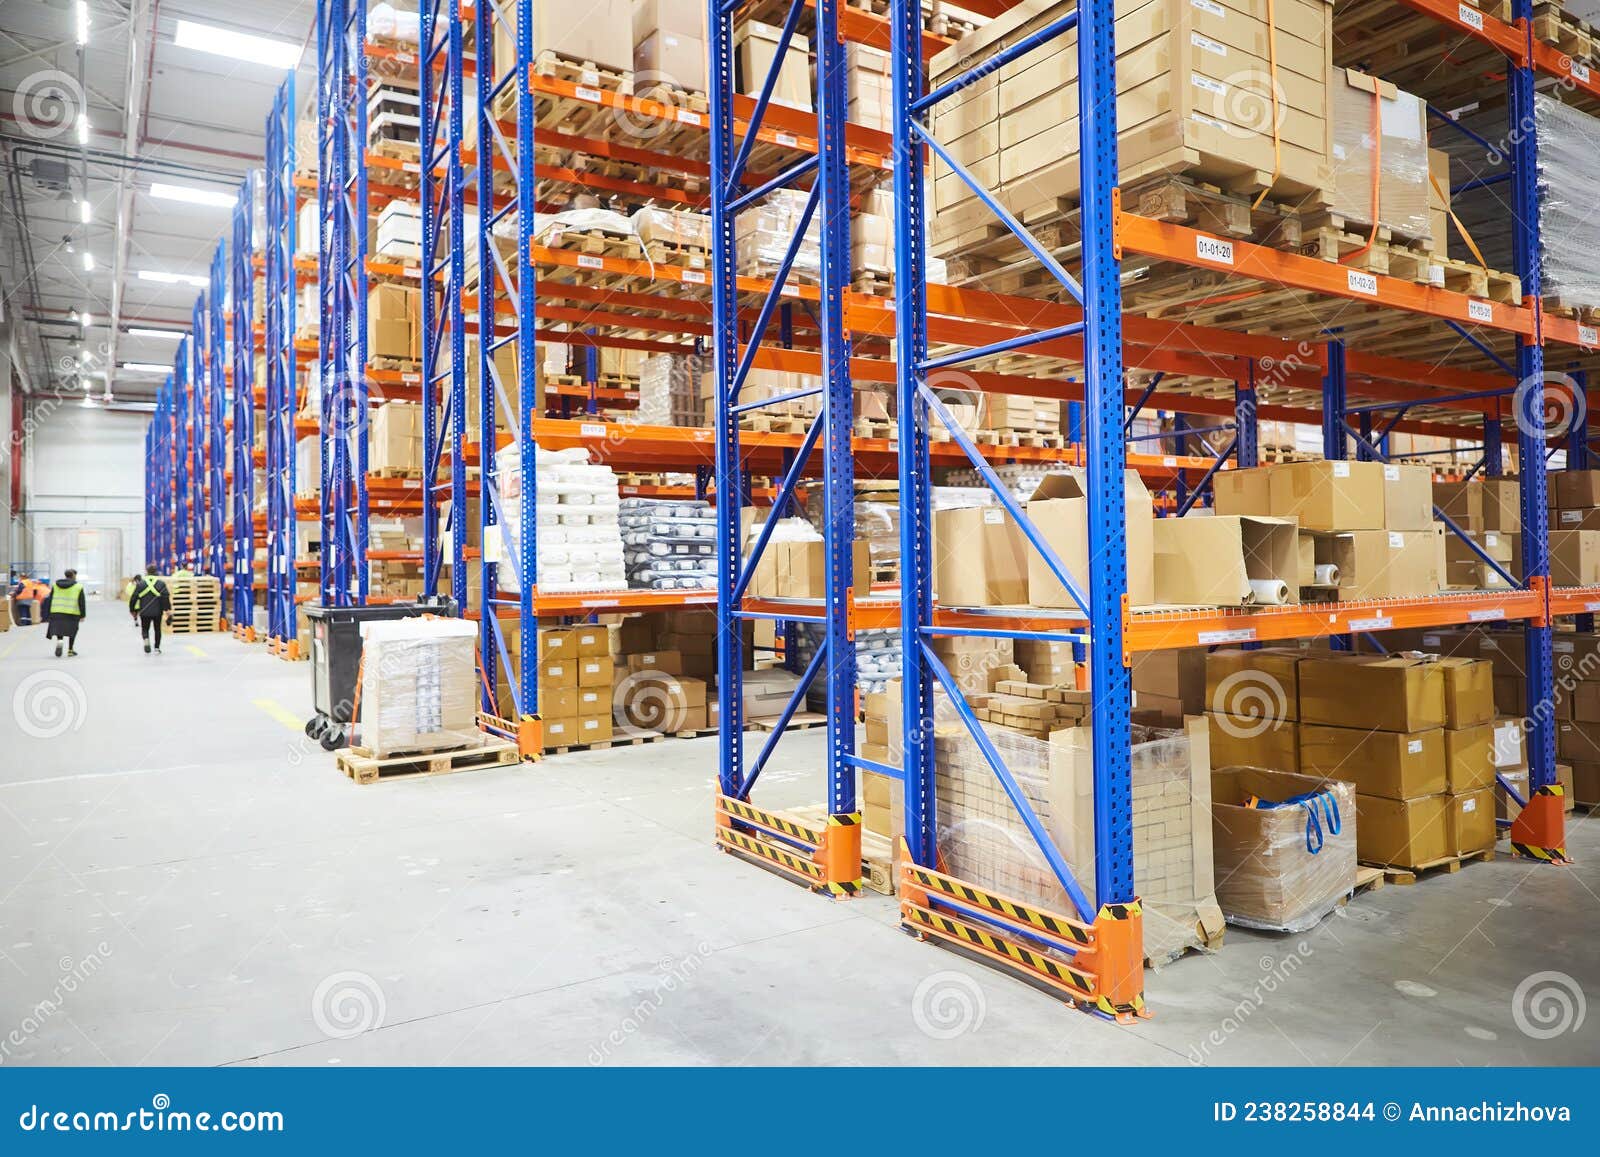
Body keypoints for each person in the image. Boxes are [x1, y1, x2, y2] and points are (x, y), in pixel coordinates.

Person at [128, 566, 171, 654]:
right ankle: (157, 648)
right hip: (157, 611)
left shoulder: (141, 584)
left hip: (144, 611)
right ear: (156, 572)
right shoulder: (161, 583)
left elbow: (134, 598)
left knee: (145, 628)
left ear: (147, 572)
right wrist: (167, 609)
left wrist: (132, 610)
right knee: (157, 629)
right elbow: (165, 597)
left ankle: (146, 639)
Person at [45, 569, 86, 657]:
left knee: (60, 629)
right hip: (72, 613)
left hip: (56, 611)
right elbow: (81, 602)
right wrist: (83, 615)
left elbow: (50, 599)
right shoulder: (78, 586)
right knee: (72, 631)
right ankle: (70, 650)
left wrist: (48, 613)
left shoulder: (55, 585)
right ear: (74, 575)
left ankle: (60, 641)